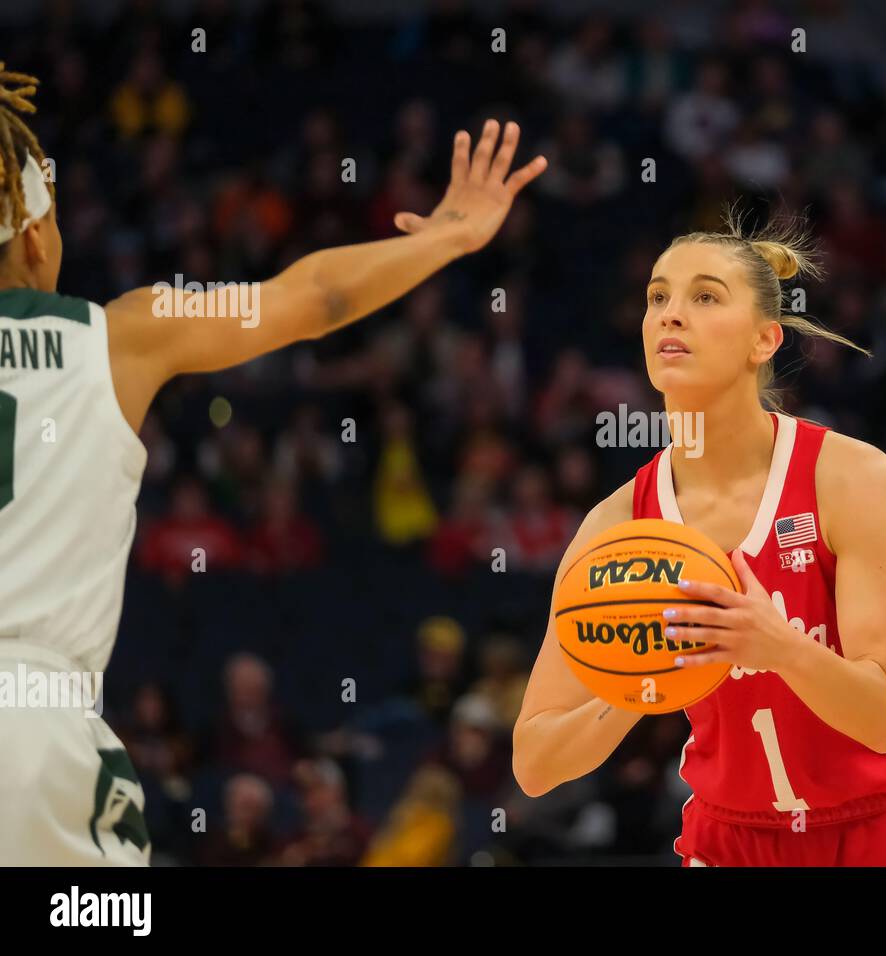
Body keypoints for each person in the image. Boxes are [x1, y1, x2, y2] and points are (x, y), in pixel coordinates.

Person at [0, 62, 546, 865]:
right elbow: (311, 298)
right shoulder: (125, 334)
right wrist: (446, 236)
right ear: (39, 235)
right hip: (34, 717)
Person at [514, 209, 886, 866]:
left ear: (764, 339)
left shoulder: (850, 477)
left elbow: (879, 716)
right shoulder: (618, 527)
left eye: (704, 296)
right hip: (732, 842)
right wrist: (639, 686)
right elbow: (534, 762)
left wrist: (775, 646)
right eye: (657, 297)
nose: (671, 313)